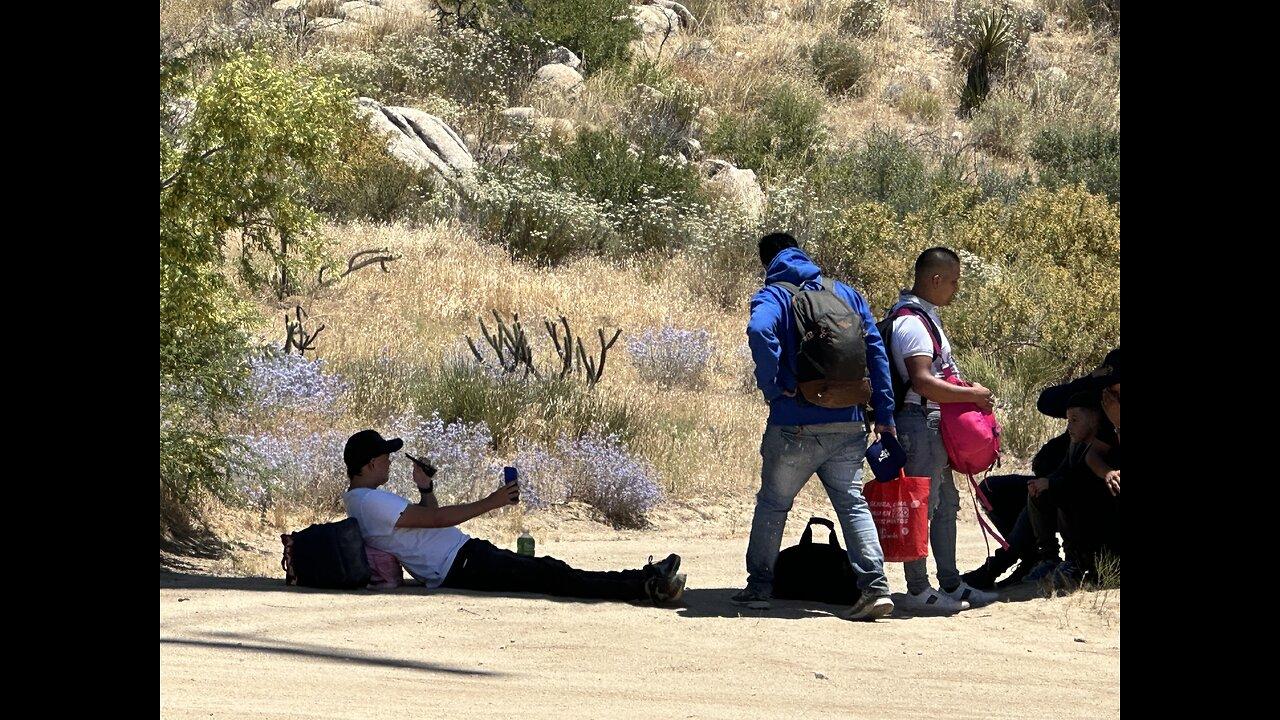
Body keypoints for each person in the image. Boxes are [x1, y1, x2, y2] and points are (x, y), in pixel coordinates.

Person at [735, 232, 897, 622]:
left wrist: (775, 387)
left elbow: (760, 332)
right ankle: (875, 588)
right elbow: (875, 350)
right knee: (851, 503)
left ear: (767, 262)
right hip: (850, 421)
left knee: (774, 504)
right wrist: (885, 414)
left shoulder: (774, 295)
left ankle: (759, 587)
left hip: (795, 423)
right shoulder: (845, 293)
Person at [341, 430, 687, 603]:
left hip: (462, 559)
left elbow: (428, 515)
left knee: (552, 572)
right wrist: (493, 501)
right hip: (458, 564)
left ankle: (644, 579)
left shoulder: (365, 500)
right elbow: (437, 521)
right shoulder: (371, 501)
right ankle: (645, 586)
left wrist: (426, 489)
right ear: (371, 464)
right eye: (385, 457)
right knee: (553, 575)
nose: (389, 462)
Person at [886, 247, 998, 612]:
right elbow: (923, 382)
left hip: (933, 426)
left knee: (945, 503)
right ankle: (918, 588)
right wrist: (972, 394)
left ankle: (950, 584)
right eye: (952, 281)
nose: (955, 288)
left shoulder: (924, 317)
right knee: (922, 505)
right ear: (934, 280)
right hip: (919, 425)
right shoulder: (911, 323)